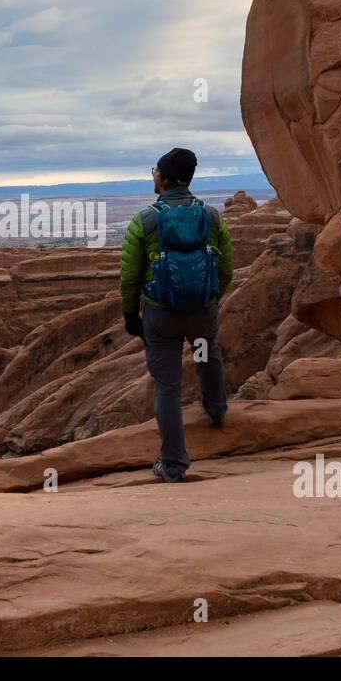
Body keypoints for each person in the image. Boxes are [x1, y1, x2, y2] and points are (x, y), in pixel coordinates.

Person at [119, 148, 234, 483]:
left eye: (155, 171)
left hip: (162, 316)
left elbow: (129, 276)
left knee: (167, 387)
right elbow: (226, 268)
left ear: (165, 179)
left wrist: (130, 314)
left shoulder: (146, 220)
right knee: (206, 353)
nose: (154, 176)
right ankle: (216, 411)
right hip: (201, 311)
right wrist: (210, 299)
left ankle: (173, 464)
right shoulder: (211, 217)